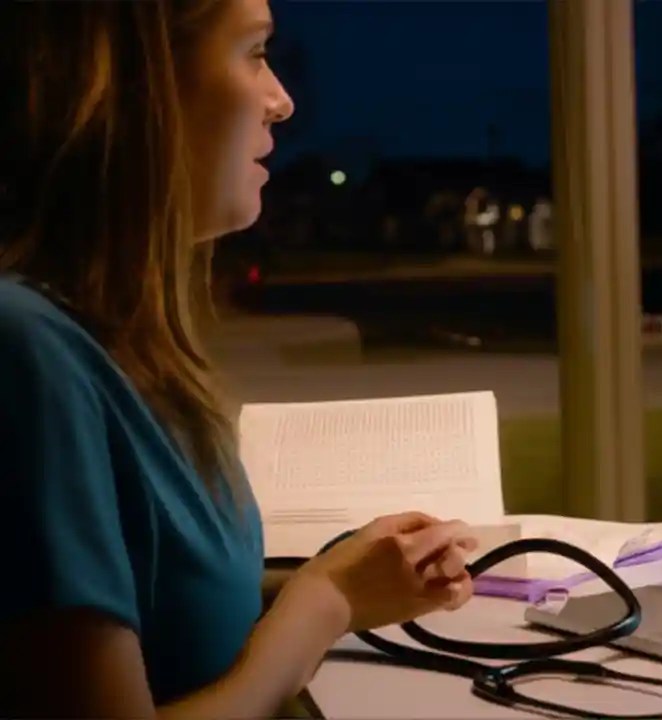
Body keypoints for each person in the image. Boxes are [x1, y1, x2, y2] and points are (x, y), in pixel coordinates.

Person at [0, 1, 479, 717]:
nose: (282, 101)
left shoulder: (114, 342)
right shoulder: (25, 351)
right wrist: (325, 604)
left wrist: (336, 576)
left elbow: (147, 603)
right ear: (135, 87)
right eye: (254, 52)